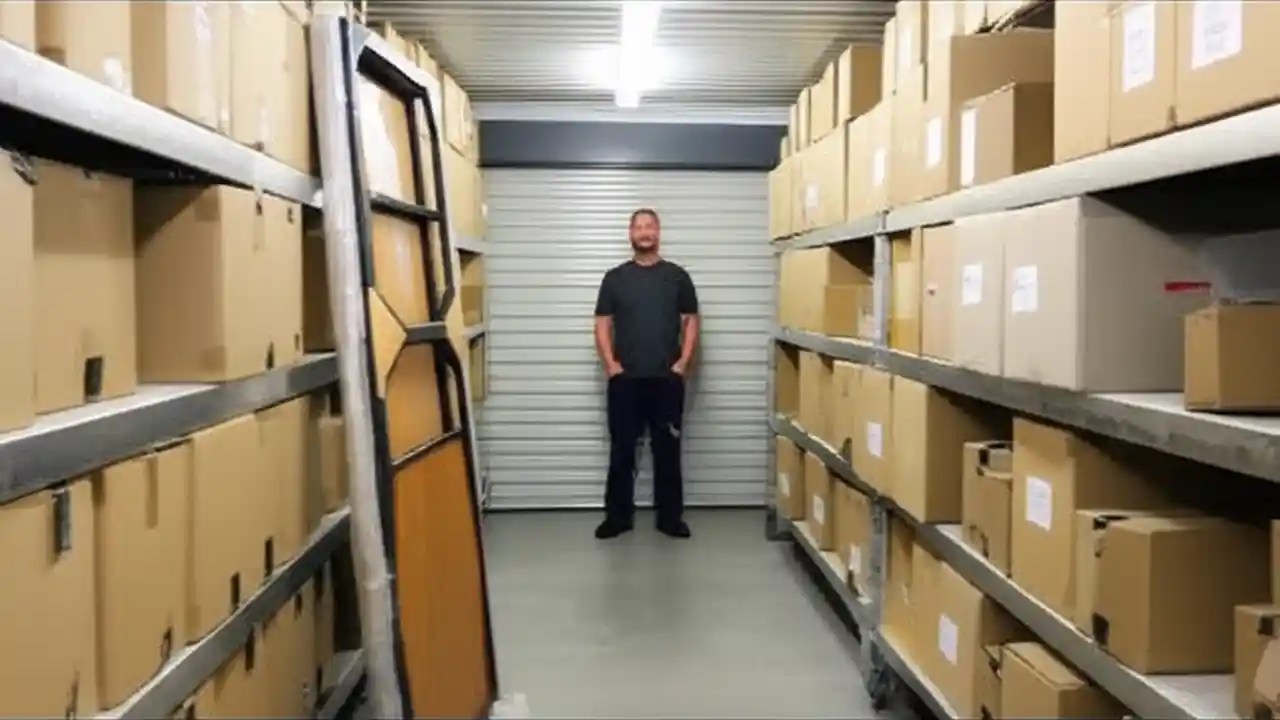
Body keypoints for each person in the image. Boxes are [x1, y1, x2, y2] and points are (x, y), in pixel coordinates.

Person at [592, 208, 700, 539]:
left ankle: (670, 519)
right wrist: (611, 366)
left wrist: (682, 363)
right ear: (630, 233)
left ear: (658, 232)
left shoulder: (678, 276)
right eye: (638, 227)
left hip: (666, 381)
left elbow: (691, 320)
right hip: (625, 382)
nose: (644, 232)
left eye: (649, 226)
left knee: (667, 451)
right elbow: (602, 323)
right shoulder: (615, 278)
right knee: (622, 449)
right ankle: (617, 518)